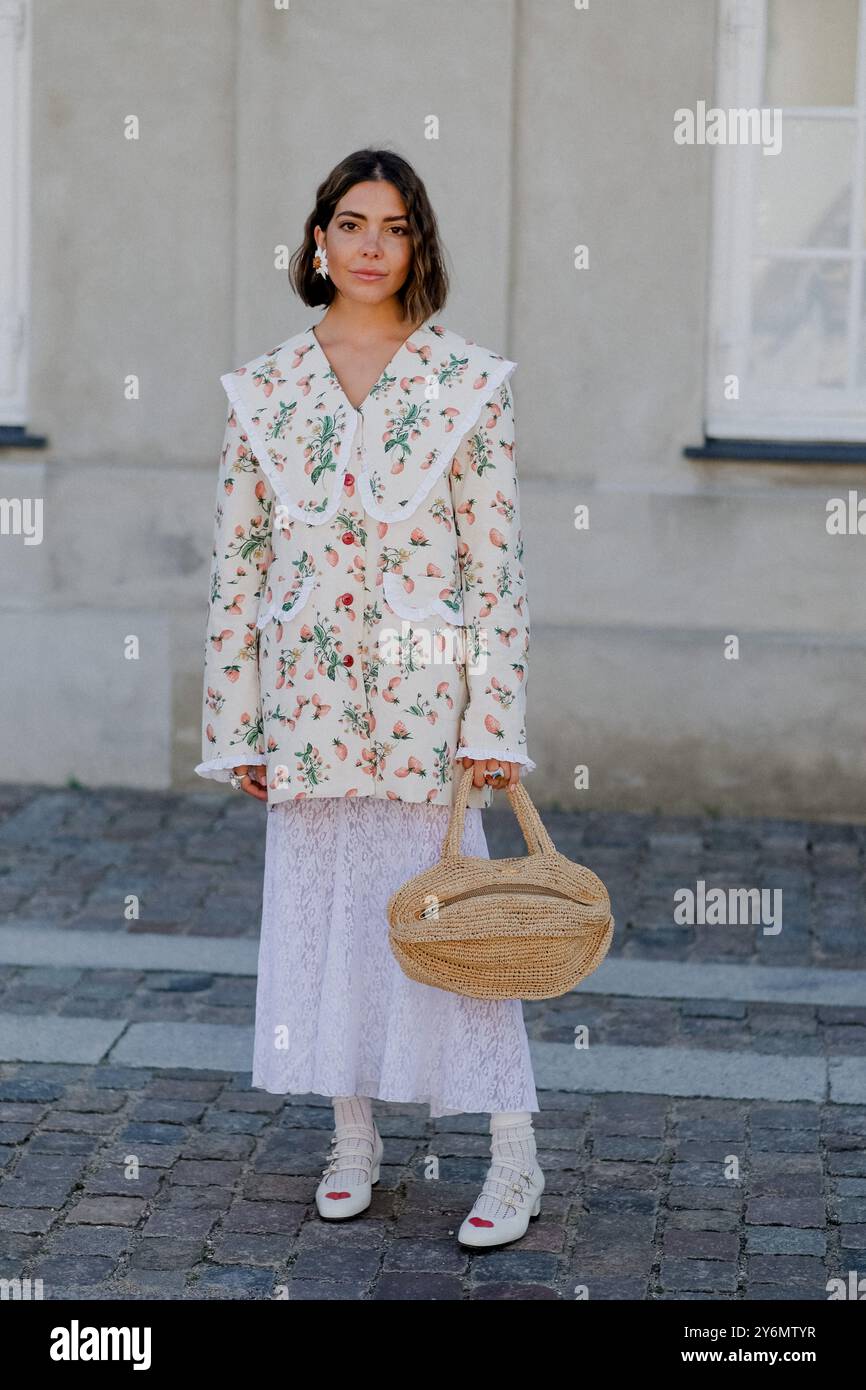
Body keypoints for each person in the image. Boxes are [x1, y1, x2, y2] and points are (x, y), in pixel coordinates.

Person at [195, 147, 542, 1249]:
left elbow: (498, 570)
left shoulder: (464, 383)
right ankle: (353, 1140)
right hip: (306, 707)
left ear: (416, 247)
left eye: (392, 227)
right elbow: (237, 566)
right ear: (318, 240)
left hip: (426, 714)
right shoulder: (266, 390)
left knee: (463, 938)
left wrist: (492, 721)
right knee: (332, 934)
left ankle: (513, 1157)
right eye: (350, 223)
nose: (369, 245)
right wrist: (235, 723)